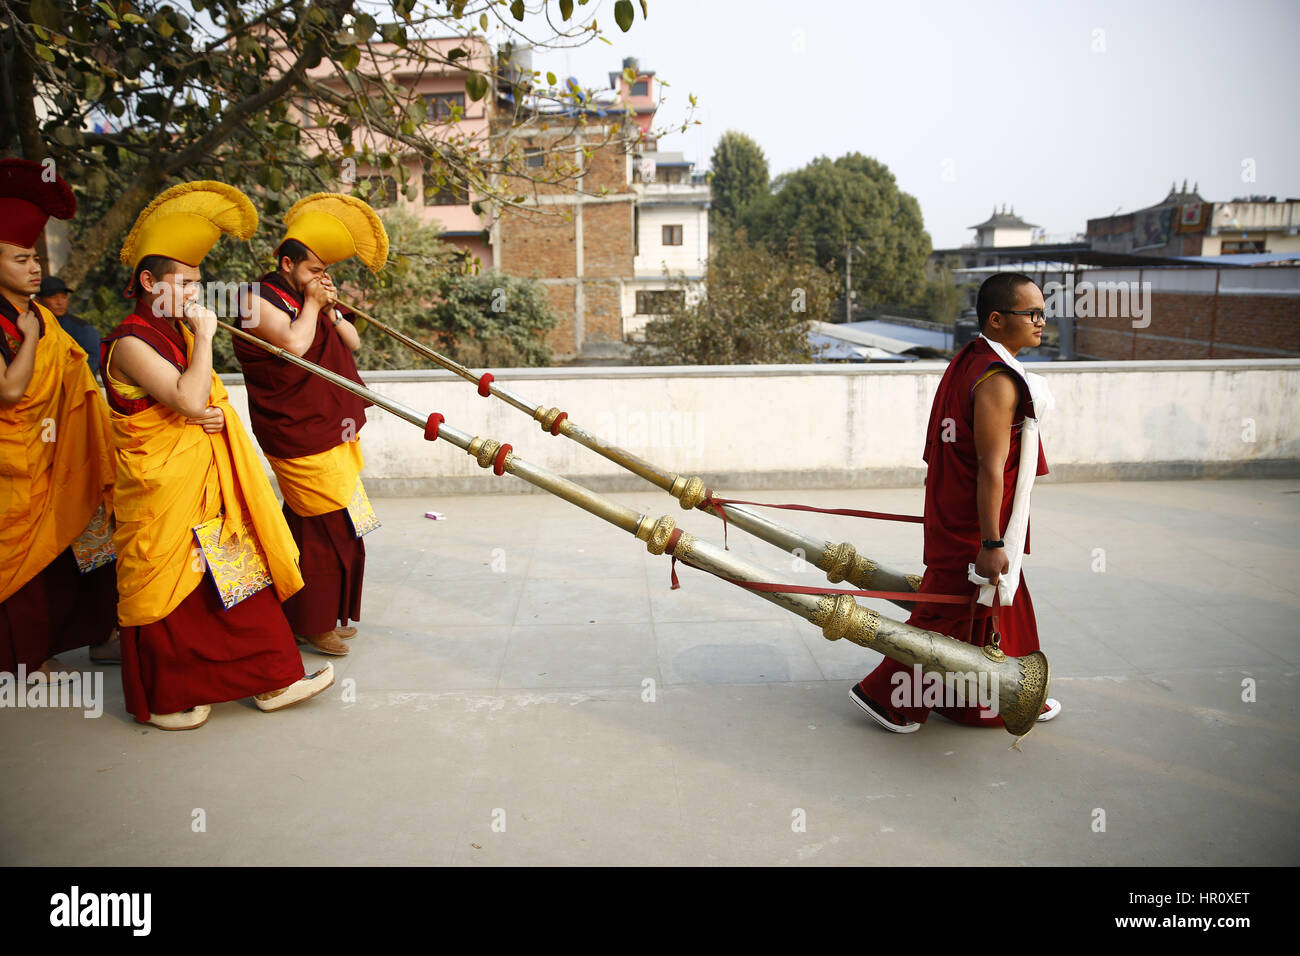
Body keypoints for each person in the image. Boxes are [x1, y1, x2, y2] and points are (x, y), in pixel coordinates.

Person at [101, 180, 333, 730]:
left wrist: (205, 408)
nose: (192, 294)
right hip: (164, 493)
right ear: (148, 282)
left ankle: (275, 678)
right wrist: (203, 343)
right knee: (172, 591)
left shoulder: (177, 333)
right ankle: (165, 696)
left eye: (197, 284)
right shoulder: (131, 340)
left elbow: (197, 398)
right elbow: (185, 396)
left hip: (207, 485)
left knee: (238, 578)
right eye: (181, 284)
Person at [850, 272, 1061, 732]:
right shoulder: (998, 381)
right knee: (947, 612)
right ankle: (883, 695)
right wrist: (990, 540)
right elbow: (990, 466)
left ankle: (998, 693)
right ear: (998, 319)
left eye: (1043, 312)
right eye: (1033, 314)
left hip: (960, 512)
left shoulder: (971, 359)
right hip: (976, 522)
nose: (1042, 321)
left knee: (997, 602)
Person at [234, 193, 388, 657]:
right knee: (324, 527)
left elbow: (353, 343)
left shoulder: (314, 299)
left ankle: (313, 615)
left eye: (326, 271)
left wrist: (332, 309)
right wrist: (311, 306)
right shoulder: (252, 298)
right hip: (296, 430)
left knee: (326, 524)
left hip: (331, 426)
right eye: (313, 269)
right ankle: (312, 623)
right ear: (286, 264)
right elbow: (295, 347)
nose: (321, 278)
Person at [0, 158, 118, 684]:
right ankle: (23, 662)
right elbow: (10, 390)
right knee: (19, 564)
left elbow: (78, 376)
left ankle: (87, 638)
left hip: (56, 454)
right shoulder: (27, 324)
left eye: (34, 258)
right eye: (21, 258)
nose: (34, 269)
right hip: (14, 464)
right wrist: (27, 341)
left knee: (77, 546)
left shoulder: (42, 315)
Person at [35, 275, 99, 377]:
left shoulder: (83, 329)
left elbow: (91, 363)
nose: (59, 302)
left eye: (64, 297)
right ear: (38, 300)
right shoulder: (32, 327)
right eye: (53, 297)